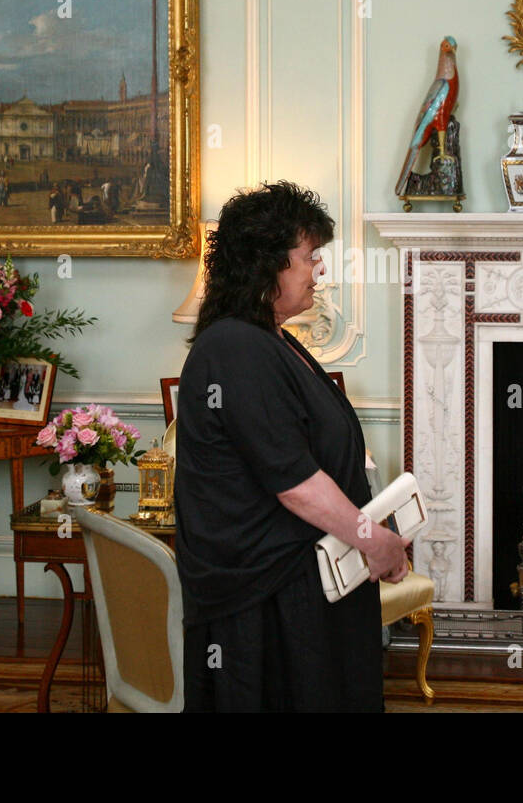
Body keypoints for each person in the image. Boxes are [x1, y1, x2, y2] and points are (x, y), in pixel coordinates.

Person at [175, 181, 409, 712]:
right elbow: (296, 485)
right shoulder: (235, 348)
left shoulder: (273, 339)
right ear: (268, 265)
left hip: (304, 583)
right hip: (267, 602)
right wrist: (374, 540)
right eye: (309, 257)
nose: (318, 269)